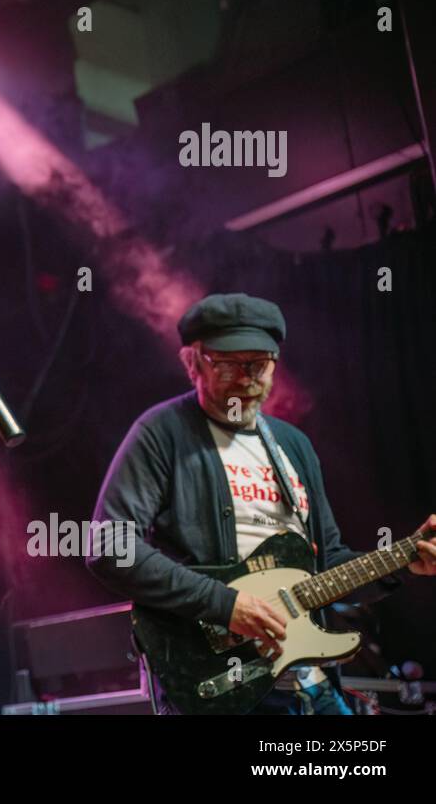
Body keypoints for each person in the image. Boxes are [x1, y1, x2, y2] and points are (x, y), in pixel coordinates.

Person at [86, 293, 436, 714]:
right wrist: (225, 604)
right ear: (192, 363)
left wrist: (401, 561)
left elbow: (327, 563)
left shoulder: (294, 445)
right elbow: (109, 546)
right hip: (216, 678)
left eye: (261, 362)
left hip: (306, 677)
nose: (247, 378)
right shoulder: (161, 434)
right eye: (229, 363)